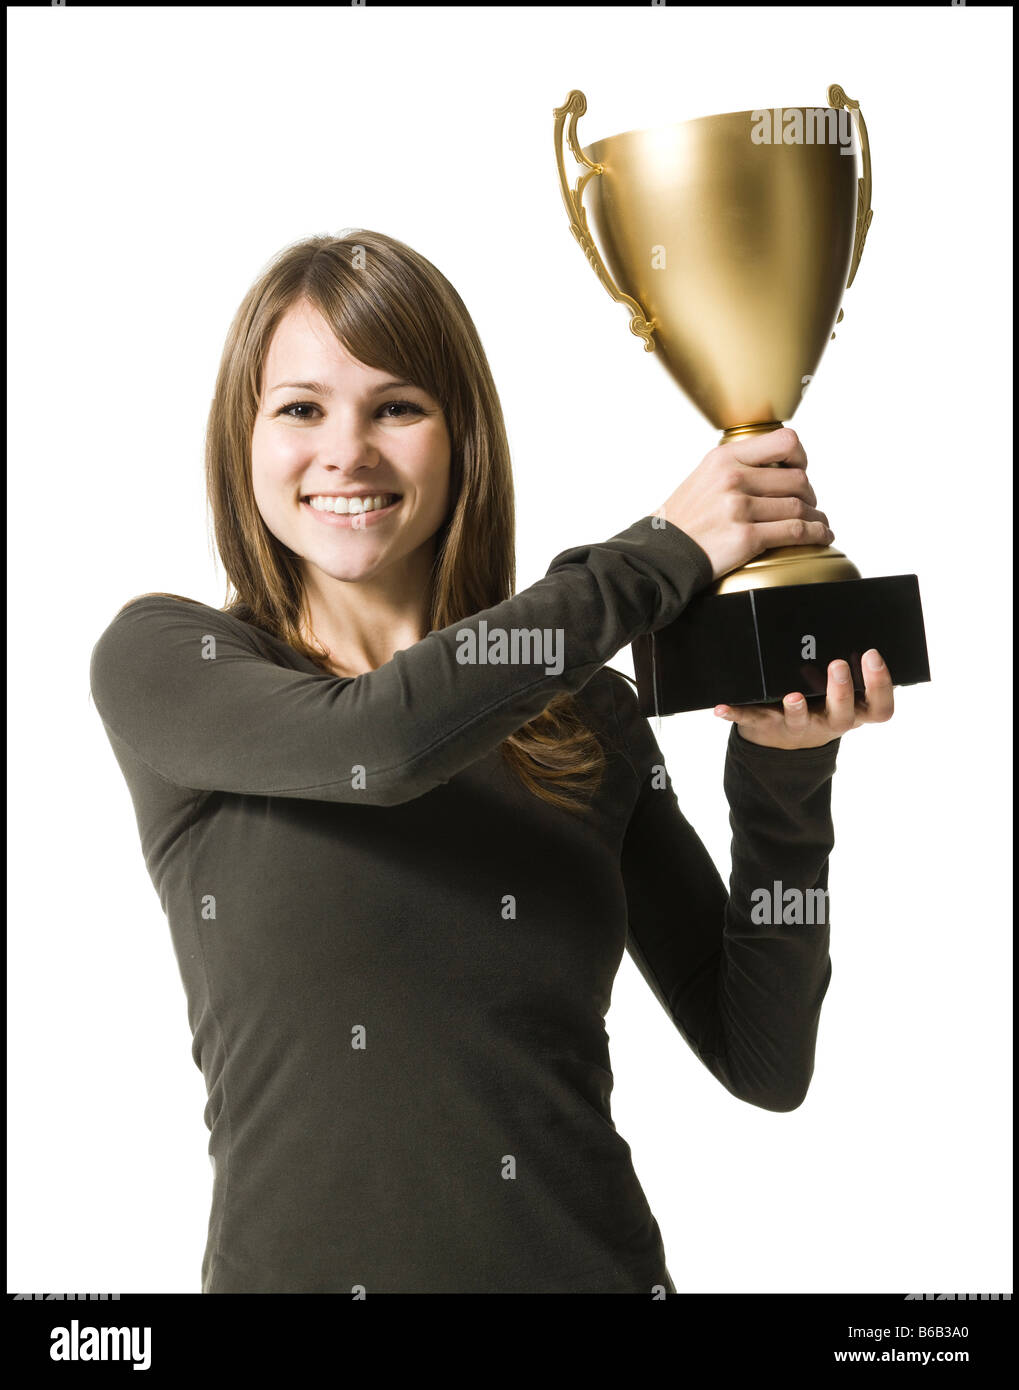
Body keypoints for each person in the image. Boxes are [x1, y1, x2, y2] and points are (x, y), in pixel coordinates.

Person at [89, 229, 894, 1294]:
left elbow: (763, 1058)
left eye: (396, 406)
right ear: (241, 442)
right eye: (300, 408)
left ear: (461, 437)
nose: (347, 450)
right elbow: (374, 744)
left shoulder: (587, 715)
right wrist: (661, 553)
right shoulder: (173, 660)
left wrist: (783, 775)